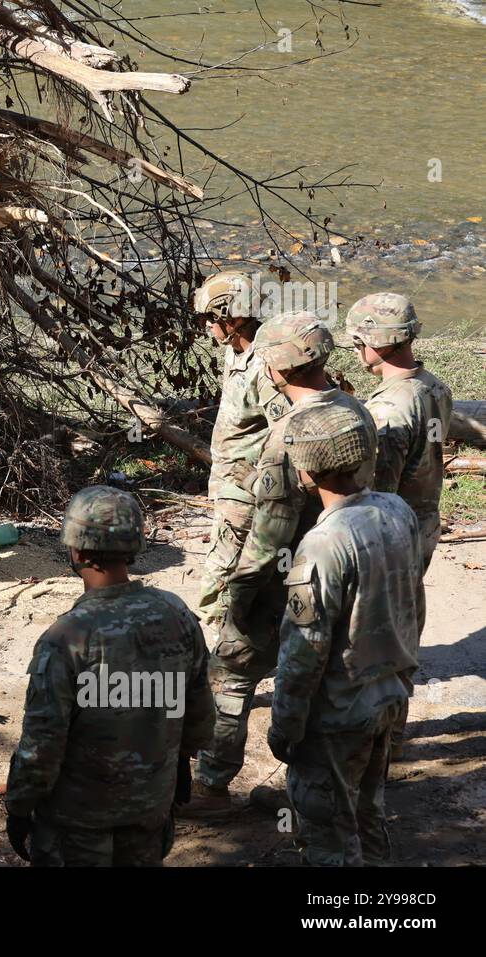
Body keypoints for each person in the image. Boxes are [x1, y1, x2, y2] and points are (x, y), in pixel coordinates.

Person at [186, 311, 376, 815]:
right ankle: (310, 789)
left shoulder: (285, 436)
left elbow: (267, 538)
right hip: (345, 565)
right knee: (321, 677)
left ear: (274, 369)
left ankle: (211, 787)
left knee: (230, 673)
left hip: (288, 576)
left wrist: (238, 596)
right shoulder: (357, 411)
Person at [4, 486, 214, 866]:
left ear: (76, 549)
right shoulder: (177, 615)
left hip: (77, 827)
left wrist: (19, 808)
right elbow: (200, 710)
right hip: (150, 811)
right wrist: (182, 759)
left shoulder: (65, 639)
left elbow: (43, 745)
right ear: (134, 544)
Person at [268, 403, 423, 866]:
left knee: (328, 834)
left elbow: (304, 650)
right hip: (388, 695)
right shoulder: (396, 509)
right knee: (367, 811)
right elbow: (414, 603)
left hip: (338, 714)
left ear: (306, 469)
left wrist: (285, 726)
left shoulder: (323, 544)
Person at [346, 292, 452, 758]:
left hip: (389, 535)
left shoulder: (390, 408)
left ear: (378, 342)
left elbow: (378, 488)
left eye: (357, 341)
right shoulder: (435, 386)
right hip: (423, 523)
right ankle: (392, 731)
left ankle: (375, 741)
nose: (355, 350)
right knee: (406, 623)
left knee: (376, 636)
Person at [191, 271, 290, 625]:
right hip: (230, 481)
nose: (205, 327)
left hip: (247, 488)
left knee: (221, 576)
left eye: (208, 319)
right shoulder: (236, 353)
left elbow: (286, 428)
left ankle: (221, 652)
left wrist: (258, 484)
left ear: (229, 317)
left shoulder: (265, 363)